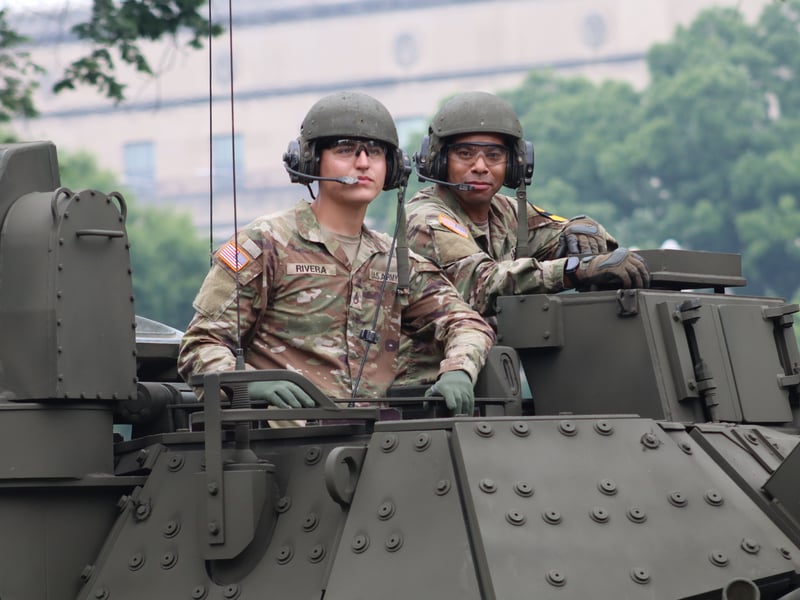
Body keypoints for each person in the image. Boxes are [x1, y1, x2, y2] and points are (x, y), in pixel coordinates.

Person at [177, 90, 496, 418]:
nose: (363, 163)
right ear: (311, 161)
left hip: (373, 440)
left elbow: (466, 322)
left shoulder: (395, 261)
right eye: (345, 150)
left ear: (392, 168)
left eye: (375, 153)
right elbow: (201, 344)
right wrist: (248, 384)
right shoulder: (266, 243)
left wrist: (459, 369)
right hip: (281, 439)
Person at [406, 91, 650, 320]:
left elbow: (569, 239)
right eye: (465, 154)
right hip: (443, 351)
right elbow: (481, 285)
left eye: (493, 156)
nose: (480, 167)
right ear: (439, 160)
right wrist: (576, 269)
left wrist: (584, 230)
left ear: (514, 165)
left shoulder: (507, 211)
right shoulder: (426, 219)